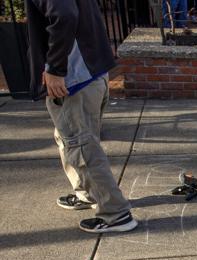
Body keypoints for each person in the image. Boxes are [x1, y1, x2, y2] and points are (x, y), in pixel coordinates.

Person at [25, 0, 137, 233]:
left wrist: (55, 69)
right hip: (89, 72)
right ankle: (87, 193)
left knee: (81, 146)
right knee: (70, 138)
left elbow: (65, 15)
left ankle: (116, 214)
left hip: (74, 80)